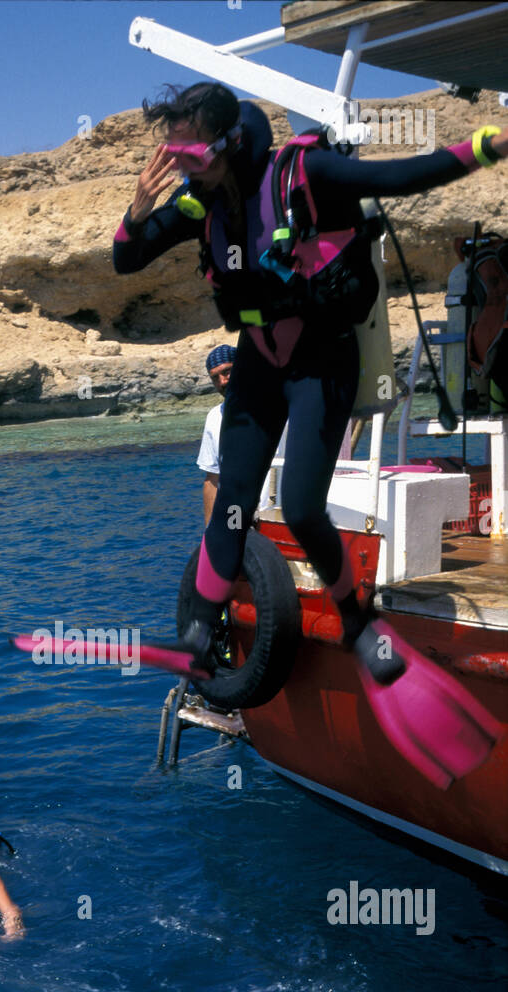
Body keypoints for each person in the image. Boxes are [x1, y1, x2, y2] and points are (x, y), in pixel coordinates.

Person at [112, 82, 506, 783]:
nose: (178, 163)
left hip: (322, 359)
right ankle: (200, 634)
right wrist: (136, 211)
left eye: (188, 149)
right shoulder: (201, 204)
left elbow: (403, 176)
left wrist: (486, 145)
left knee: (298, 505)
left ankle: (360, 625)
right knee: (232, 502)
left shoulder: (305, 174)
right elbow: (125, 259)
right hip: (259, 362)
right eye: (169, 150)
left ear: (229, 142)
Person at [197, 343, 235, 524]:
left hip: (276, 514)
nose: (222, 382)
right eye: (215, 378)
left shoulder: (279, 408)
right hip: (237, 513)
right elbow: (212, 479)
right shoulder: (214, 417)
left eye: (227, 372)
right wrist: (209, 531)